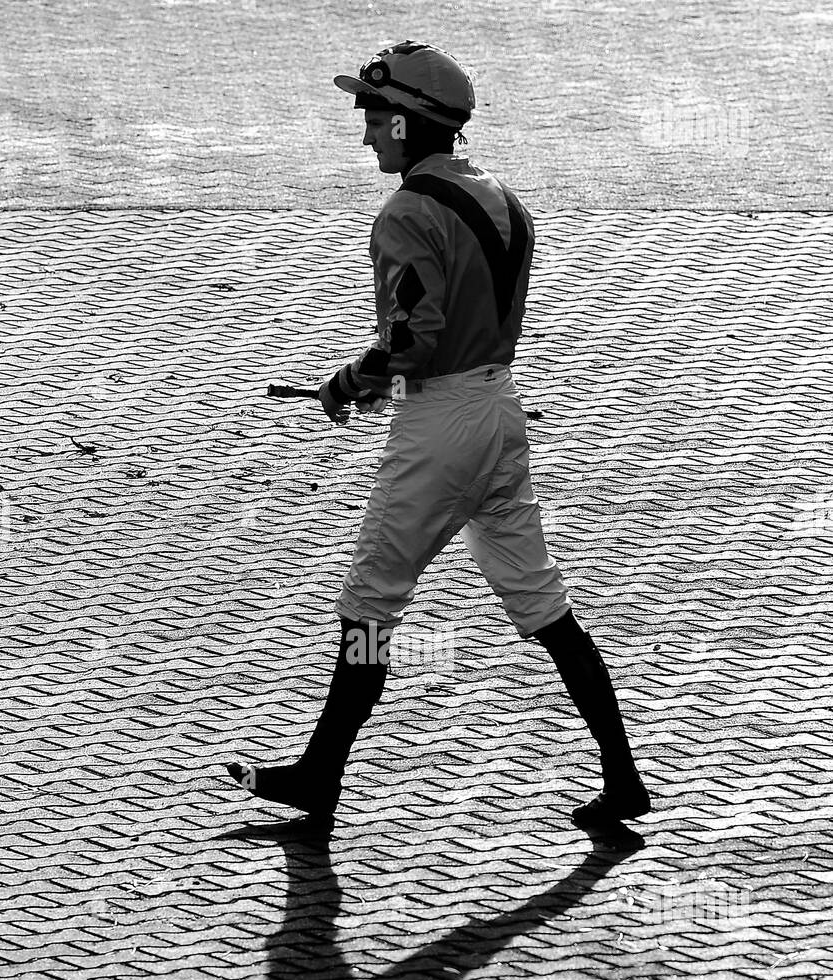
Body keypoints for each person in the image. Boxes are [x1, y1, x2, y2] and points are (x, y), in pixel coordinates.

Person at [227, 40, 651, 831]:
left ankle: (320, 778)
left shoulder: (406, 213)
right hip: (499, 412)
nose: (365, 137)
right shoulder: (500, 197)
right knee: (544, 606)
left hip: (440, 429)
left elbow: (410, 341)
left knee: (368, 607)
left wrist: (345, 384)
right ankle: (623, 777)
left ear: (404, 122)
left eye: (372, 118)